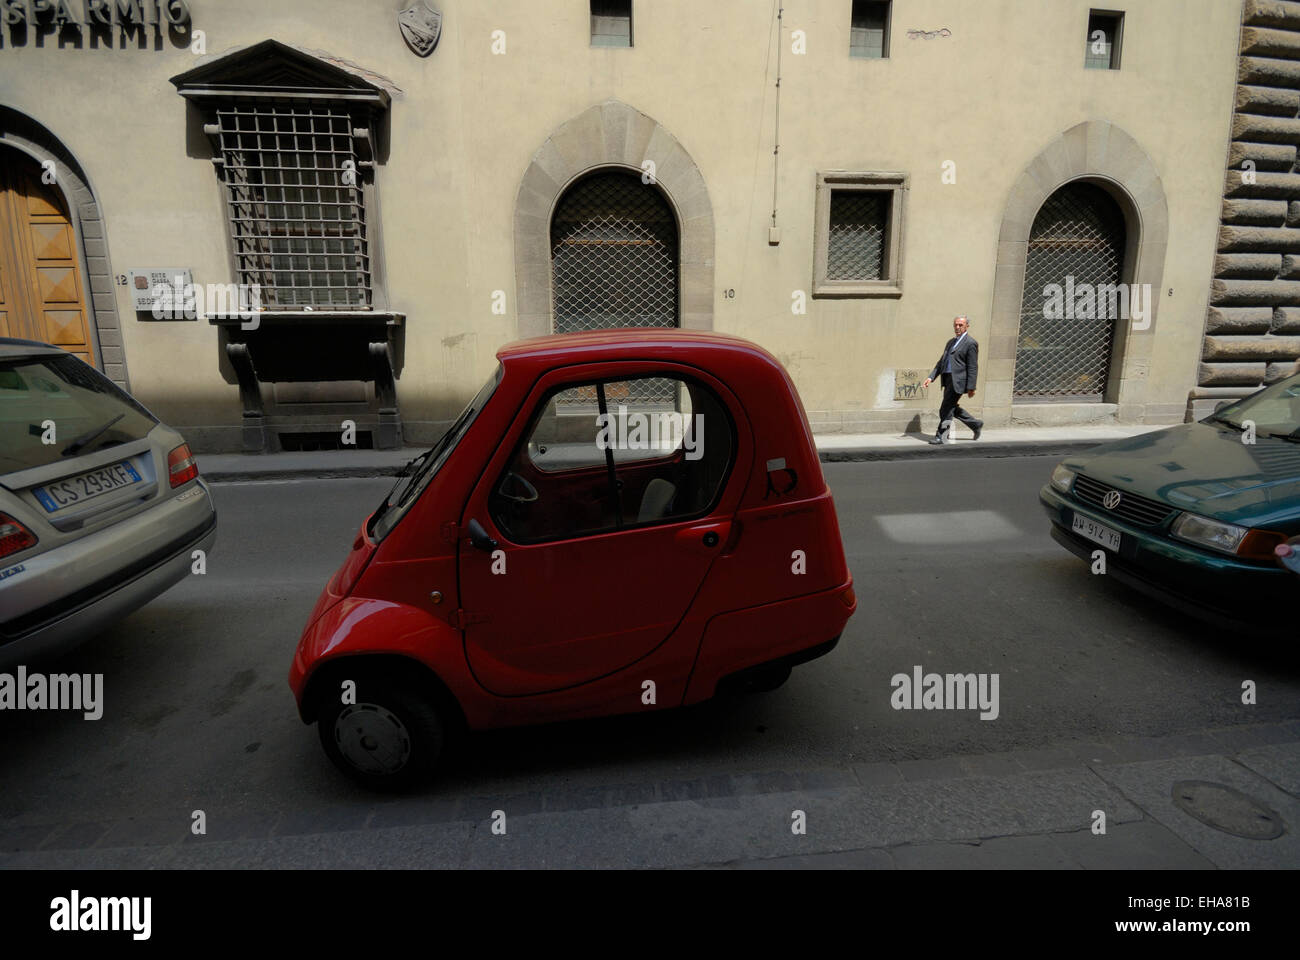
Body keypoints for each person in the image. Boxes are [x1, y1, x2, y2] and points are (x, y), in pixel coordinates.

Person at [922, 315, 983, 444]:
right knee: (950, 408)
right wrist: (931, 377)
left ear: (967, 326)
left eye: (960, 325)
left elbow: (973, 367)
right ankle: (975, 424)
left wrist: (971, 387)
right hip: (947, 379)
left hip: (959, 381)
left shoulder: (970, 343)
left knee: (945, 409)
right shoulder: (951, 342)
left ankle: (942, 435)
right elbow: (941, 362)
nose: (957, 327)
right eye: (955, 325)